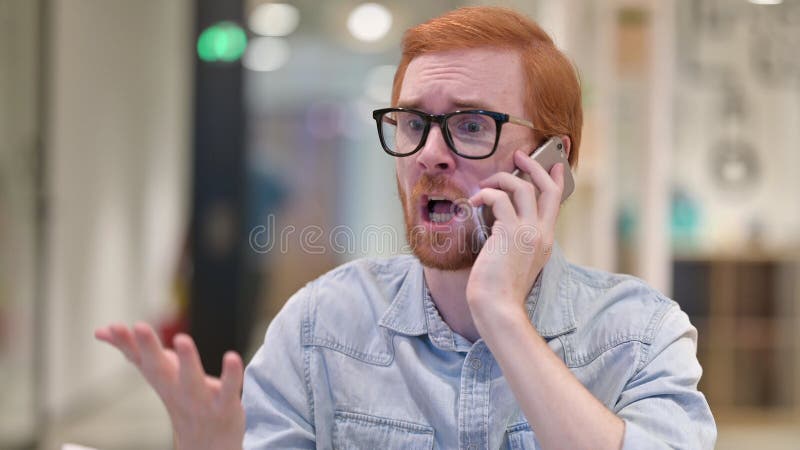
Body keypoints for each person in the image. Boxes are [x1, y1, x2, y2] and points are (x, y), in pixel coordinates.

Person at [95, 6, 716, 449]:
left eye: (472, 125)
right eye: (413, 123)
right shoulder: (320, 329)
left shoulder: (639, 335)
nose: (429, 154)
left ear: (555, 163)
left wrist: (502, 314)